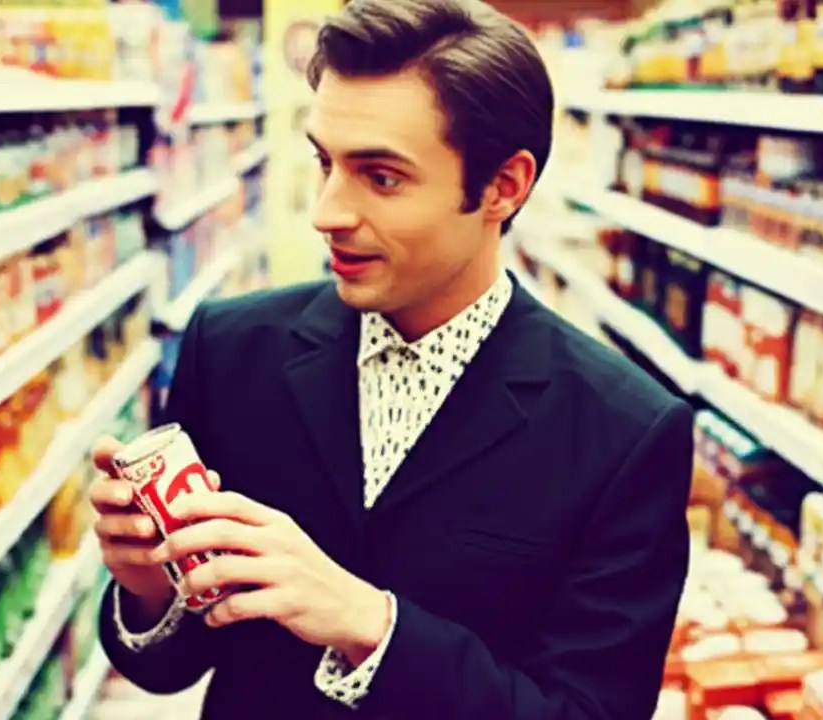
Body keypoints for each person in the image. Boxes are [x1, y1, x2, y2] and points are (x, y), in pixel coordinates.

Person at [92, 1, 694, 717]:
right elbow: (176, 666)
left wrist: (374, 627)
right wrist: (148, 588)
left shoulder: (622, 431)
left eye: (381, 177)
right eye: (324, 162)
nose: (327, 211)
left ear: (503, 186)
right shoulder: (231, 352)